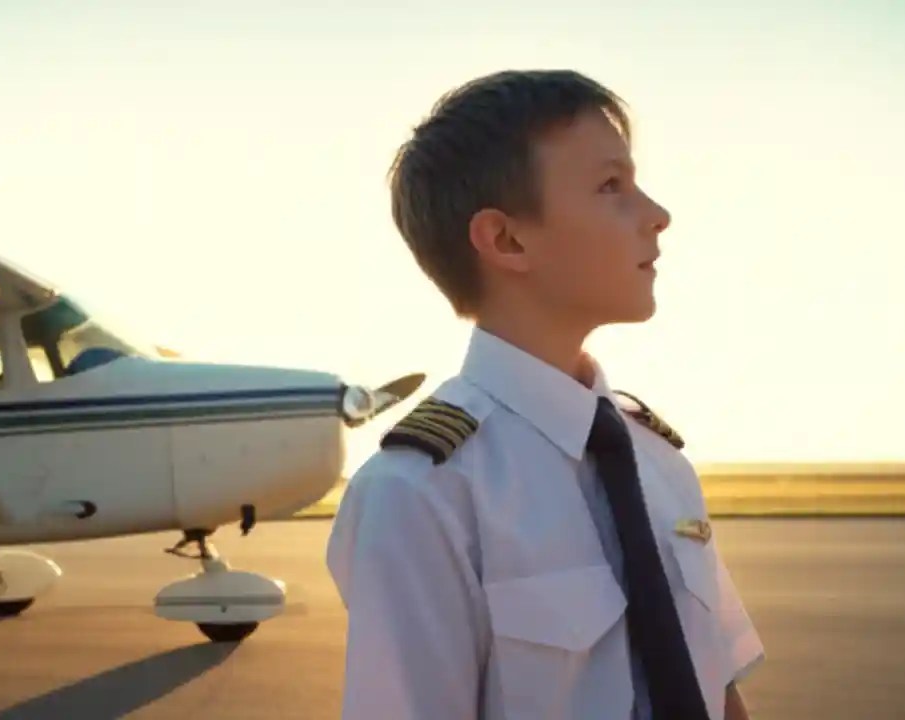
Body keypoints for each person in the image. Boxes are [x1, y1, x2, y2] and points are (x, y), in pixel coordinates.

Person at [325, 69, 764, 719]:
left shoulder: (660, 463)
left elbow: (717, 688)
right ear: (507, 239)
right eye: (611, 186)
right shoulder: (423, 494)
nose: (657, 216)